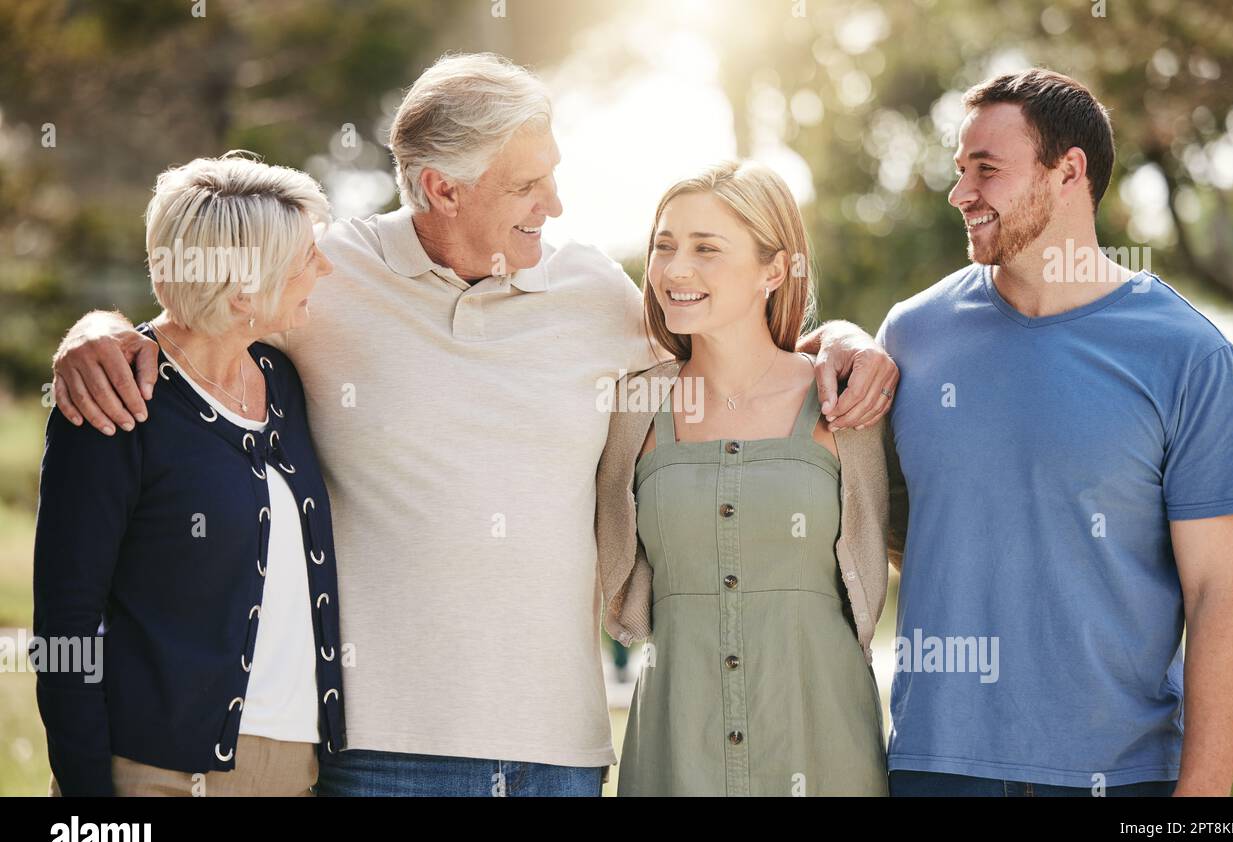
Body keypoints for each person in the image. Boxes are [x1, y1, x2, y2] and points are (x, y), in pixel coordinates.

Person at [48, 53, 897, 797]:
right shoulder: (328, 275)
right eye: (528, 185)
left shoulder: (596, 296)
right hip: (380, 752)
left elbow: (731, 341)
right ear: (440, 188)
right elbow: (204, 320)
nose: (556, 205)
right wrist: (99, 331)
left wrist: (843, 342)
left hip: (559, 755)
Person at [879, 69, 1233, 797]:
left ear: (1069, 172)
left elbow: (1225, 594)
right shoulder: (911, 336)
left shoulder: (1188, 355)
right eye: (960, 170)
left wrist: (1200, 805)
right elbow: (892, 525)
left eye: (986, 170)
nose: (960, 193)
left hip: (1119, 776)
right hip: (935, 766)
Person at [33, 152, 344, 796]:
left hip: (292, 770)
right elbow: (66, 621)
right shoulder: (118, 404)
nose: (325, 268)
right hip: (153, 775)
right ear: (241, 292)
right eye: (305, 259)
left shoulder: (282, 380)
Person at [596, 161, 896, 796]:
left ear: (775, 269)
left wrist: (847, 338)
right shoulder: (630, 408)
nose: (676, 270)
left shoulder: (846, 406)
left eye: (707, 249)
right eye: (664, 246)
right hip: (677, 749)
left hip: (824, 745)